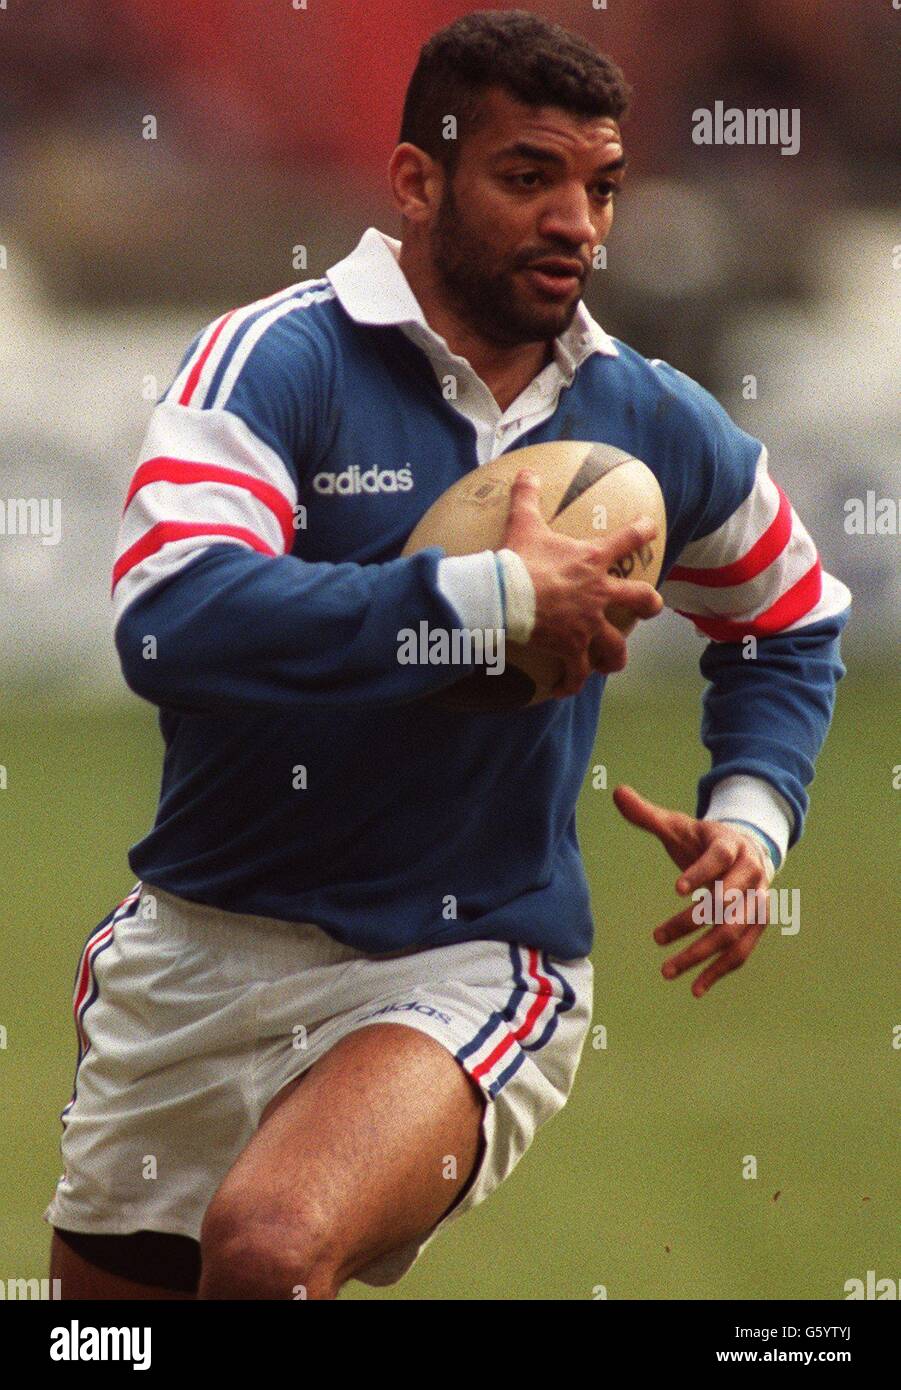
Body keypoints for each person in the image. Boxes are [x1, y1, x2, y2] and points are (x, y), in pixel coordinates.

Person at [46, 10, 850, 1300]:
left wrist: (753, 816)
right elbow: (172, 616)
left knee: (268, 1249)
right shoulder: (279, 361)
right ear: (418, 181)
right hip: (198, 958)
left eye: (603, 188)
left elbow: (790, 617)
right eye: (529, 177)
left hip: (471, 956)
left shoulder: (642, 418)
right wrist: (483, 600)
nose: (577, 223)